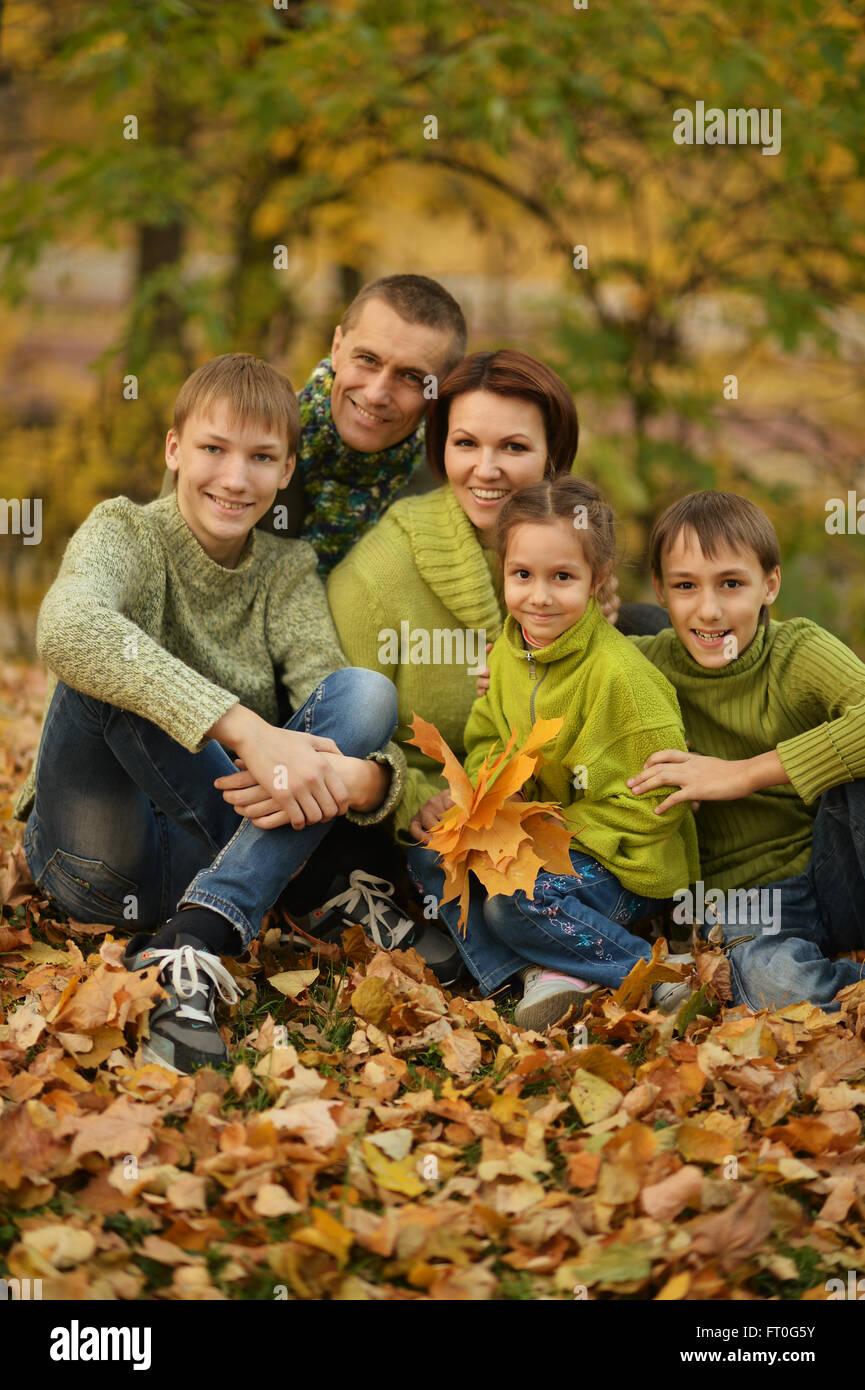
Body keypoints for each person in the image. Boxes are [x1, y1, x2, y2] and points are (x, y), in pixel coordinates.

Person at [15, 353, 406, 1075]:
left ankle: (193, 938)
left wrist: (368, 782)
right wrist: (247, 730)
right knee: (109, 659)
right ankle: (297, 888)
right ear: (173, 450)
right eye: (213, 449)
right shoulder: (125, 531)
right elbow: (67, 627)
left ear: (287, 469)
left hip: (219, 842)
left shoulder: (285, 570)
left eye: (261, 457)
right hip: (100, 854)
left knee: (367, 693)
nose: (234, 478)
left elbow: (336, 706)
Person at [328, 349, 658, 847]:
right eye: (466, 443)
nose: (486, 469)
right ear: (441, 448)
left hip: (551, 804)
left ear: (552, 457)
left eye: (513, 447)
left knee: (648, 626)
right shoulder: (376, 576)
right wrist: (419, 799)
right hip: (416, 816)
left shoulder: (573, 541)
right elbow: (344, 731)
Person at [406, 476, 699, 1029]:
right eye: (523, 575)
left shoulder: (622, 680)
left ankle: (649, 975)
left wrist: (547, 831)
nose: (538, 596)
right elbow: (487, 738)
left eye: (562, 577)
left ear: (597, 579)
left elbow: (658, 803)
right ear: (505, 574)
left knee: (511, 899)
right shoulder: (512, 653)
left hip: (623, 867)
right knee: (430, 857)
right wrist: (488, 798)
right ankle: (538, 971)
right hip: (540, 841)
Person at [625, 490, 865, 1011]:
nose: (709, 610)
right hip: (749, 898)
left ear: (769, 584)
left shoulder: (796, 651)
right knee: (777, 986)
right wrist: (507, 670)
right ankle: (849, 988)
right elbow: (550, 668)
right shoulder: (637, 666)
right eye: (686, 586)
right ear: (660, 591)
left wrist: (746, 773)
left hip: (841, 861)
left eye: (731, 583)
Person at [159, 274, 467, 574]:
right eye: (368, 360)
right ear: (336, 349)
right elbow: (168, 570)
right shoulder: (237, 439)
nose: (376, 394)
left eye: (412, 377)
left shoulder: (449, 481)